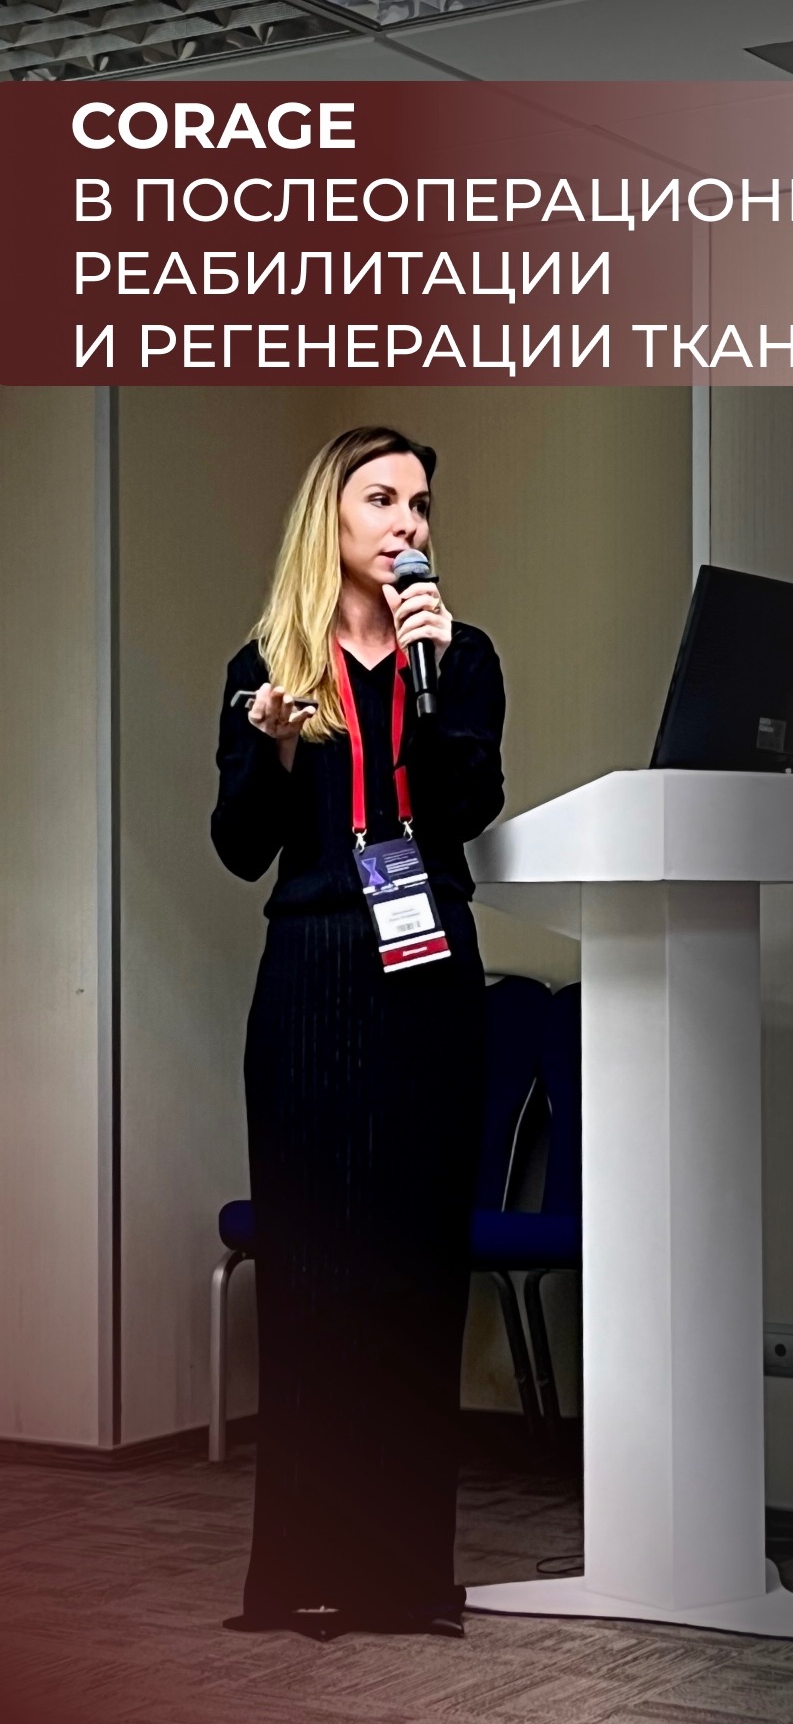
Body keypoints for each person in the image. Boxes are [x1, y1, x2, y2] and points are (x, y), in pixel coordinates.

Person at [210, 426, 505, 1640]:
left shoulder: (461, 655)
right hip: (312, 975)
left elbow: (468, 804)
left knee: (413, 1272)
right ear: (327, 518)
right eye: (381, 499)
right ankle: (300, 1572)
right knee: (313, 1275)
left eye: (419, 505)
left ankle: (401, 1576)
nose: (406, 524)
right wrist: (273, 747)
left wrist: (428, 687)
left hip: (426, 973)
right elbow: (239, 847)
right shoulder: (266, 664)